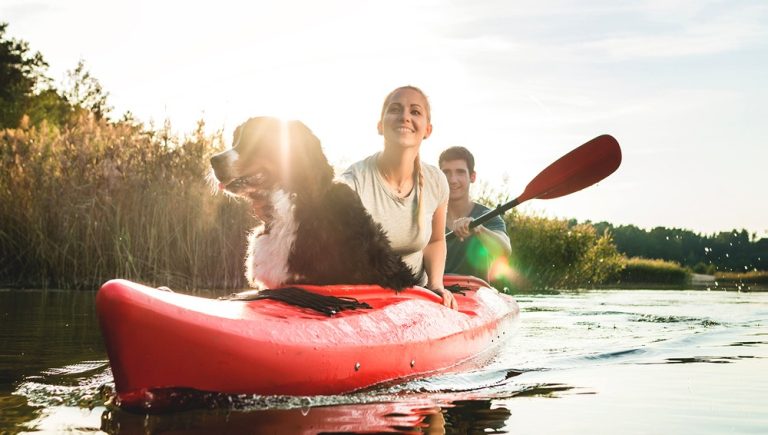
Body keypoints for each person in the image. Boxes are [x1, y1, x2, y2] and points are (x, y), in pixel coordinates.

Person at [340, 85, 457, 309]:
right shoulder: (353, 181)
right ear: (379, 126)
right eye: (395, 109)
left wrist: (436, 285)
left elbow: (435, 240)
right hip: (365, 300)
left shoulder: (437, 181)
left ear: (428, 130)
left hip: (418, 297)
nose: (404, 117)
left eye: (415, 112)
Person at [439, 146, 511, 282]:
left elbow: (504, 251)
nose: (452, 180)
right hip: (433, 294)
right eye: (446, 172)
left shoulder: (489, 216)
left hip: (475, 293)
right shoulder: (426, 216)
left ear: (472, 176)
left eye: (460, 172)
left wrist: (479, 230)